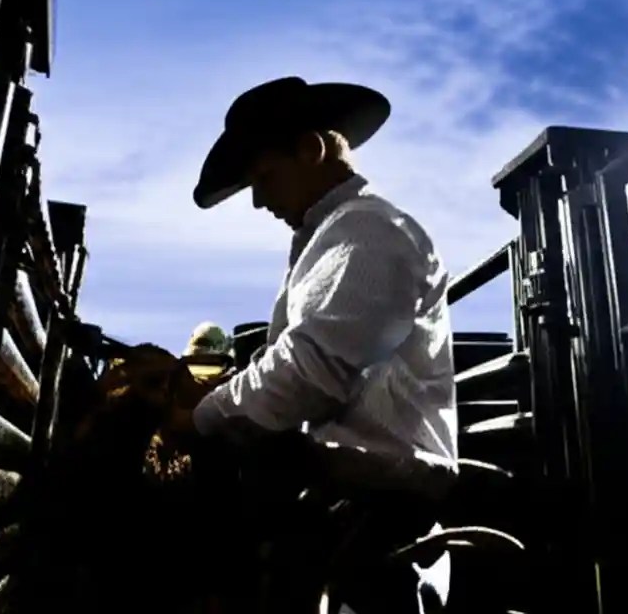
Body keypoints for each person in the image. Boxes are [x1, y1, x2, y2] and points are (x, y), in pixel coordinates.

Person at [166, 76, 459, 611]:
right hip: (350, 511)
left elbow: (310, 371)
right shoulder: (342, 233)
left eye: (264, 178)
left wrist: (202, 418)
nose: (257, 201)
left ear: (311, 149)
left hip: (375, 522)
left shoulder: (368, 232)